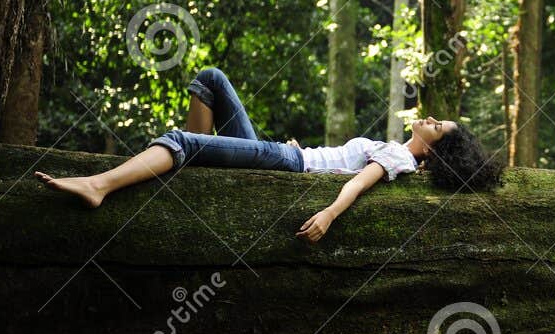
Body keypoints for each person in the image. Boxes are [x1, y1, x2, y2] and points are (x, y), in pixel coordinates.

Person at [37, 67, 502, 242]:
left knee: (181, 139)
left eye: (438, 126)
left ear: (436, 148)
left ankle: (99, 186)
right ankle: (193, 169)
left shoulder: (402, 160)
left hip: (286, 164)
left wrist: (329, 215)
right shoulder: (399, 148)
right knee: (213, 80)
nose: (431, 118)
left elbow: (359, 182)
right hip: (291, 157)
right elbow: (340, 160)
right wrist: (307, 153)